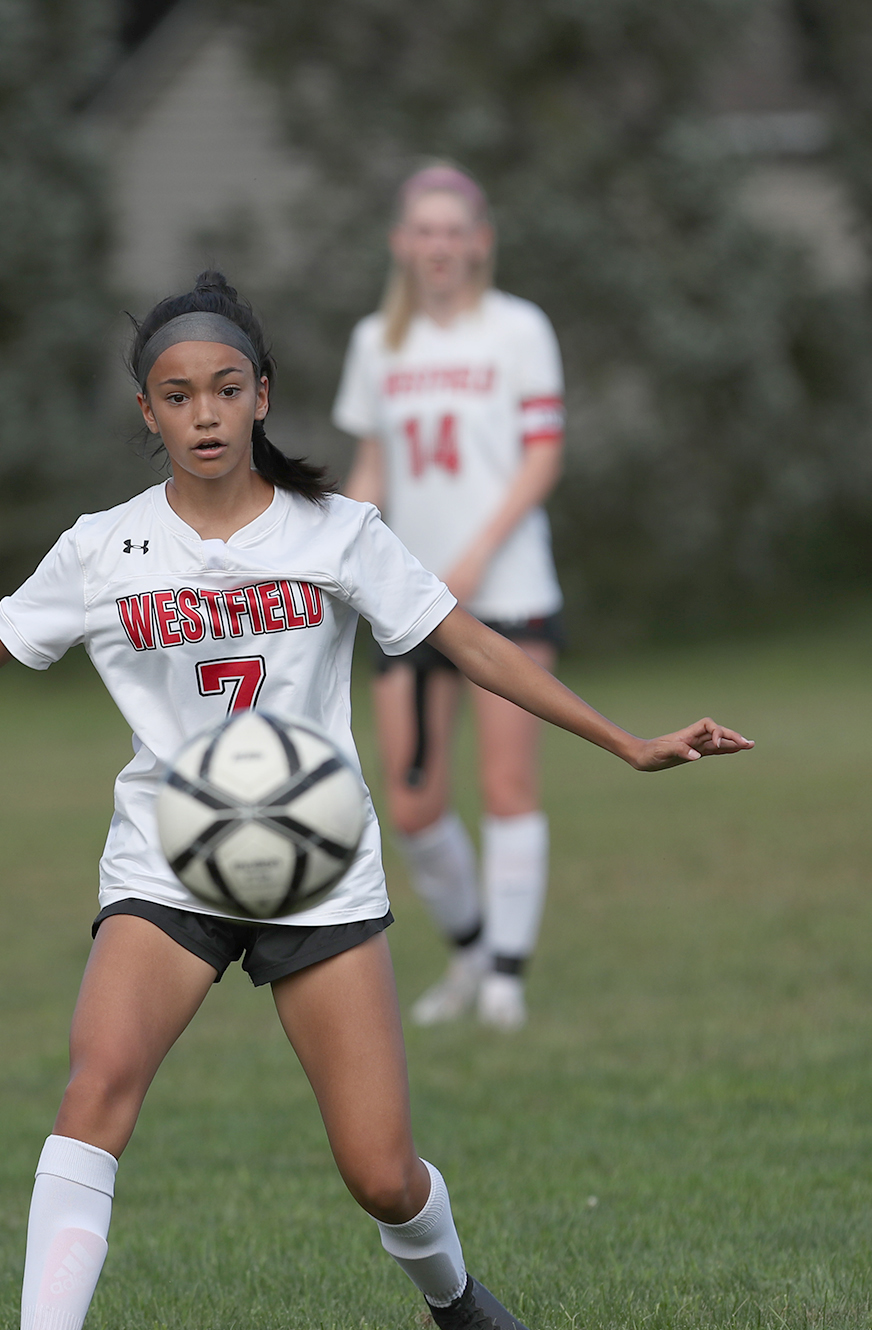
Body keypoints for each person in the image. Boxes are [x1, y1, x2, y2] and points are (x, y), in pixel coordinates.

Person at [0, 270, 752, 1330]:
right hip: (170, 862)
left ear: (263, 395)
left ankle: (455, 1295)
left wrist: (626, 742)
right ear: (145, 413)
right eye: (177, 396)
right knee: (97, 1085)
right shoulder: (103, 549)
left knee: (381, 1174)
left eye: (225, 389)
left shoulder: (339, 532)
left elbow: (475, 646)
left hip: (315, 869)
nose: (203, 414)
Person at [334, 163, 568, 1031]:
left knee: (507, 783)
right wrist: (340, 551)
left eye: (453, 231)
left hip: (506, 588)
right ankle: (470, 952)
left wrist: (473, 557)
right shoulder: (377, 342)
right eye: (424, 231)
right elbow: (373, 467)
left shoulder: (519, 329)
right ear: (402, 243)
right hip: (411, 599)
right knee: (413, 805)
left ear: (479, 242)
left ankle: (507, 978)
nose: (439, 246)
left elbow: (542, 456)